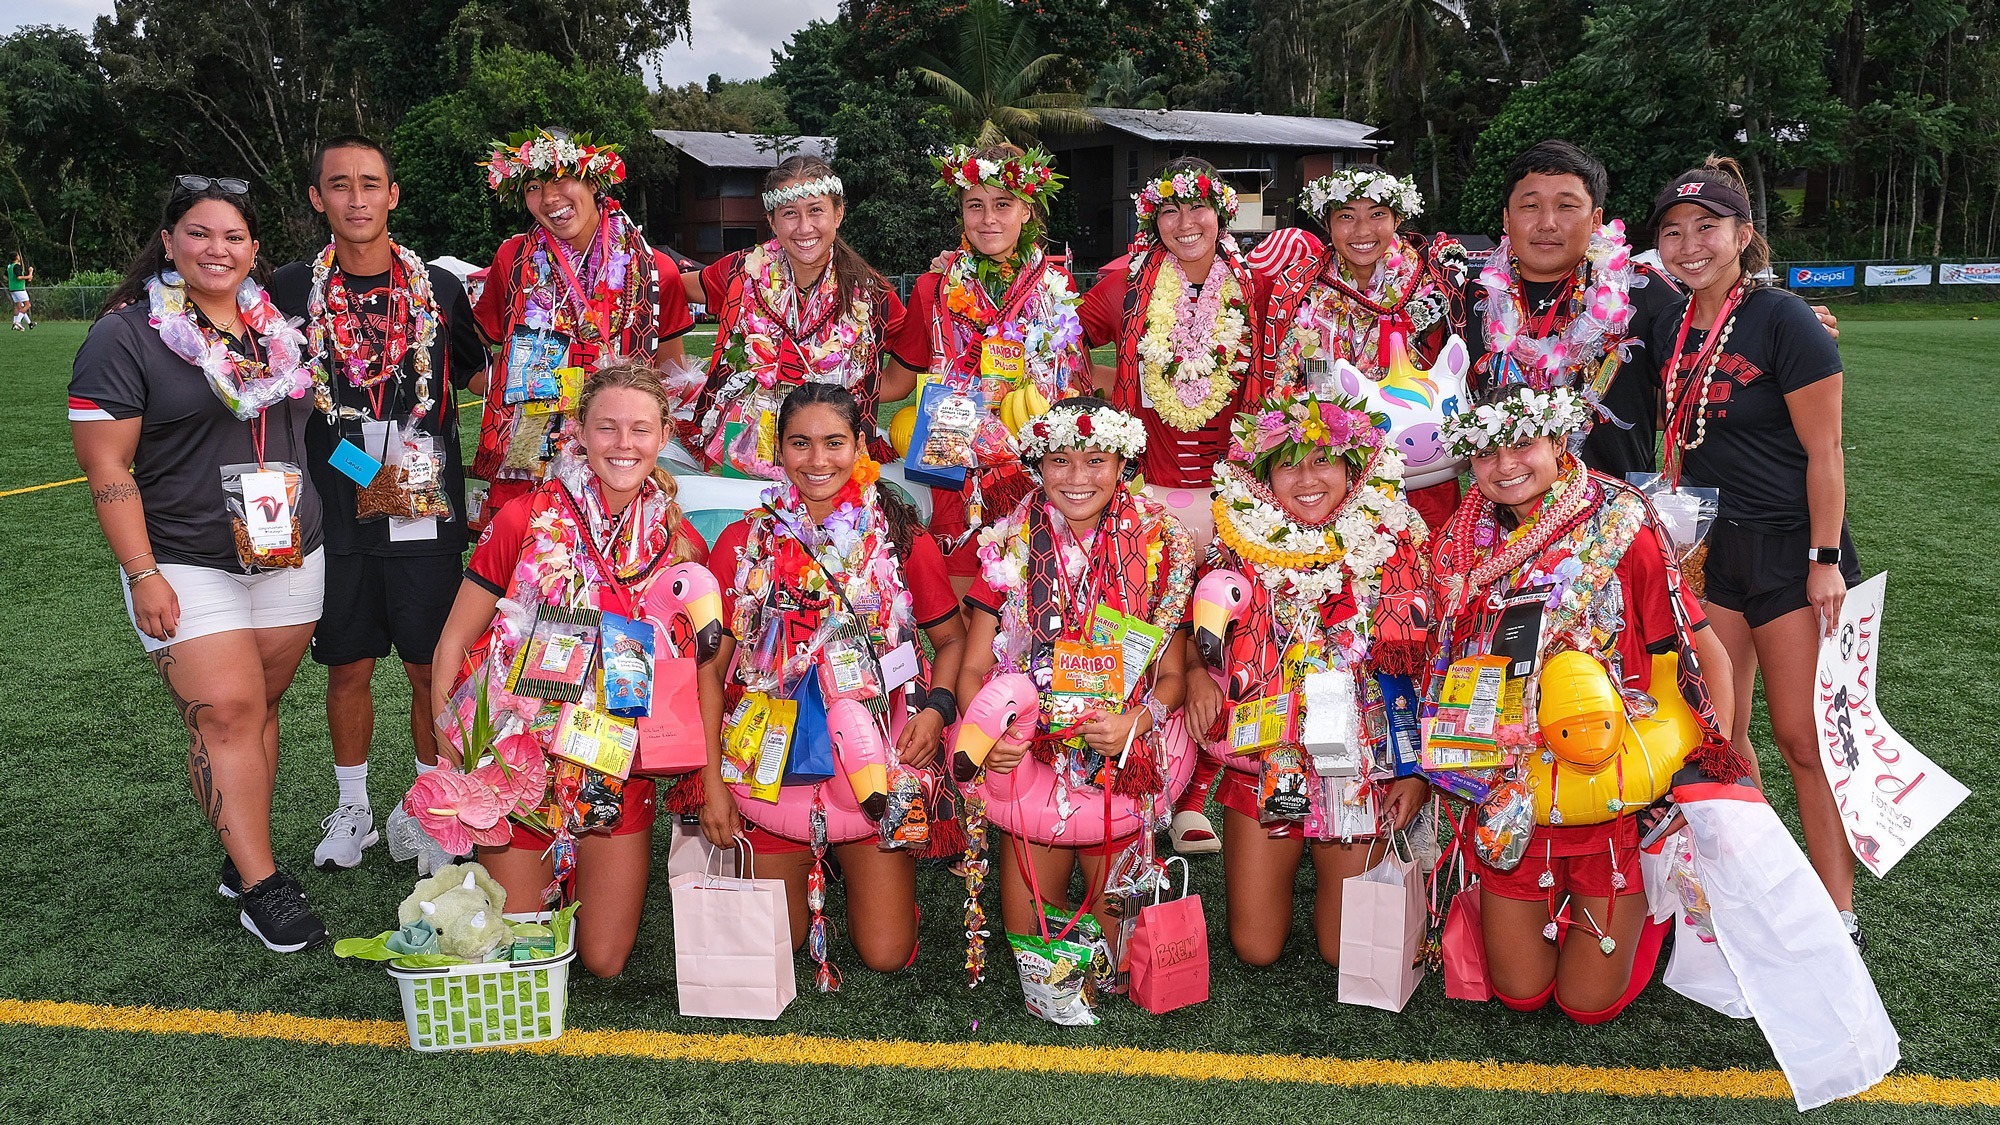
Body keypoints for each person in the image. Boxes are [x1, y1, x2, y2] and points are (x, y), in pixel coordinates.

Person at [1426, 382, 1741, 1023]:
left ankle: (1650, 913)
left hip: (1616, 785)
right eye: (1485, 452)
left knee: (1585, 1004)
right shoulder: (1459, 543)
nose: (1505, 465)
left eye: (1522, 443)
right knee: (1520, 993)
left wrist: (1711, 761)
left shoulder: (1620, 523)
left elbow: (1701, 649)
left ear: (1558, 438)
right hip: (1511, 792)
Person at [70, 175, 329, 952]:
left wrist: (386, 484)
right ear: (169, 241)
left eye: (233, 236)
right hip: (183, 554)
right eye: (200, 233)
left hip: (286, 546)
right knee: (226, 710)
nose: (218, 249)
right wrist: (142, 570)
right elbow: (107, 466)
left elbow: (312, 434)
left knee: (259, 704)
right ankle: (262, 885)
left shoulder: (277, 327)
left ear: (254, 249)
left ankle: (239, 847)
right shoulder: (127, 335)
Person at [428, 363, 713, 978]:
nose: (623, 444)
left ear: (664, 435)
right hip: (517, 764)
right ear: (579, 431)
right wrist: (454, 744)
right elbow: (454, 637)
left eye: (640, 429)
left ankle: (571, 872)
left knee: (604, 961)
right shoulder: (524, 518)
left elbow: (698, 667)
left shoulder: (681, 542)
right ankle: (532, 870)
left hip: (615, 766)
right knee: (518, 954)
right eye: (606, 427)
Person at [1647, 156, 1866, 945]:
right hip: (1712, 555)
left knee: (1804, 740)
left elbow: (1826, 451)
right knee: (1725, 734)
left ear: (1744, 235)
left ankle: (1839, 911)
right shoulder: (1670, 323)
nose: (1689, 244)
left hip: (1792, 554)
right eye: (1673, 232)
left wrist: (1824, 559)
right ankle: (1766, 890)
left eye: (1706, 228)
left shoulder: (1785, 320)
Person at [268, 136, 491, 873]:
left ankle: (431, 807)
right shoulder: (288, 288)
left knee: (431, 668)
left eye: (370, 183)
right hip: (336, 512)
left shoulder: (441, 288)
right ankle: (354, 807)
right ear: (317, 198)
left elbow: (484, 380)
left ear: (393, 194)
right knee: (348, 666)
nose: (356, 198)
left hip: (425, 512)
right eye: (340, 184)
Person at [699, 384, 967, 981]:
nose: (817, 460)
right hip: (772, 763)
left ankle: (862, 868)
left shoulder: (899, 535)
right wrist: (712, 782)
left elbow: (951, 640)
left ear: (861, 447)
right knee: (780, 945)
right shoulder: (743, 542)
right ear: (778, 449)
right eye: (800, 443)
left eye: (834, 443)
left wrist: (936, 709)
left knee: (885, 953)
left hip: (873, 762)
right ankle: (805, 858)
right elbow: (710, 670)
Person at [1181, 393, 1434, 966]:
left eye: (1324, 461)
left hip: (1360, 765)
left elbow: (1428, 666)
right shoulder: (1239, 536)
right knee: (1255, 948)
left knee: (1347, 953)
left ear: (1353, 468)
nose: (1307, 479)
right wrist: (1197, 670)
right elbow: (1191, 619)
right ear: (1265, 476)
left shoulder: (1395, 538)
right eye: (1288, 465)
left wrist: (1414, 771)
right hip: (1269, 754)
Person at [955, 399, 1199, 946]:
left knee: (1122, 953)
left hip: (1118, 751)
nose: (1077, 477)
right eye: (1060, 460)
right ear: (1038, 465)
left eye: (1095, 461)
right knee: (1032, 942)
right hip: (1032, 745)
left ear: (1122, 463)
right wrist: (994, 736)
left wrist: (1134, 723)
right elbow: (972, 670)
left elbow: (1173, 680)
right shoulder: (1010, 541)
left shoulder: (1161, 540)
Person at [1464, 140, 1838, 480]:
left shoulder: (1642, 290)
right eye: (1530, 206)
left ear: (1595, 219)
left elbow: (1713, 347)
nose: (1547, 223)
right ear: (1507, 218)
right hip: (1500, 510)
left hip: (1614, 516)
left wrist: (1793, 324)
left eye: (1566, 206)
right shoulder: (1470, 301)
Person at [884, 143, 1092, 587]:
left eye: (1003, 204)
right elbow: (896, 380)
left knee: (1039, 592)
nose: (988, 219)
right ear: (961, 211)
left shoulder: (1056, 284)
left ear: (1027, 210)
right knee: (961, 595)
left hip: (1035, 467)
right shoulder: (934, 287)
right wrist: (827, 384)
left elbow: (1074, 377)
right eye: (974, 205)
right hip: (954, 465)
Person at [470, 127, 695, 522]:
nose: (549, 197)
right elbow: (474, 344)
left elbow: (671, 378)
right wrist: (501, 388)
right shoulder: (512, 260)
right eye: (534, 187)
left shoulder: (656, 270)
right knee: (529, 552)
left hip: (619, 452)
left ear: (593, 181)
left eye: (560, 179)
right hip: (531, 452)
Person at [1257, 166, 1472, 530]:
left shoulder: (1428, 282)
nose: (1361, 231)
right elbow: (1290, 379)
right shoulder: (1304, 287)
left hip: (1423, 464)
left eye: (1377, 215)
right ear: (1327, 223)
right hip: (1336, 468)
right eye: (1346, 217)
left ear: (1398, 218)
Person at [679, 154, 906, 476]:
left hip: (825, 457)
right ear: (772, 222)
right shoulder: (741, 272)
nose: (804, 227)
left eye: (816, 210)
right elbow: (671, 286)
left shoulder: (871, 294)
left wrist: (853, 387)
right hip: (737, 449)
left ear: (838, 213)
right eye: (789, 213)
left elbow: (906, 370)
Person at [1078, 157, 1264, 549]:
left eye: (1198, 206)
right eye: (1169, 211)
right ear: (1153, 220)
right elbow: (1061, 342)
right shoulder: (1123, 289)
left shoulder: (1258, 290)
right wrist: (1110, 383)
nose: (1185, 224)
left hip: (1241, 499)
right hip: (1144, 496)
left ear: (1222, 213)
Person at [8, 252, 32, 330]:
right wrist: (29, 275)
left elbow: (6, 277)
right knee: (27, 305)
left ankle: (16, 324)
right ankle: (18, 322)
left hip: (12, 288)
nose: (19, 257)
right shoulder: (17, 266)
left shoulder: (10, 267)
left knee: (18, 306)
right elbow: (19, 277)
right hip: (19, 288)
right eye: (18, 255)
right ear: (16, 257)